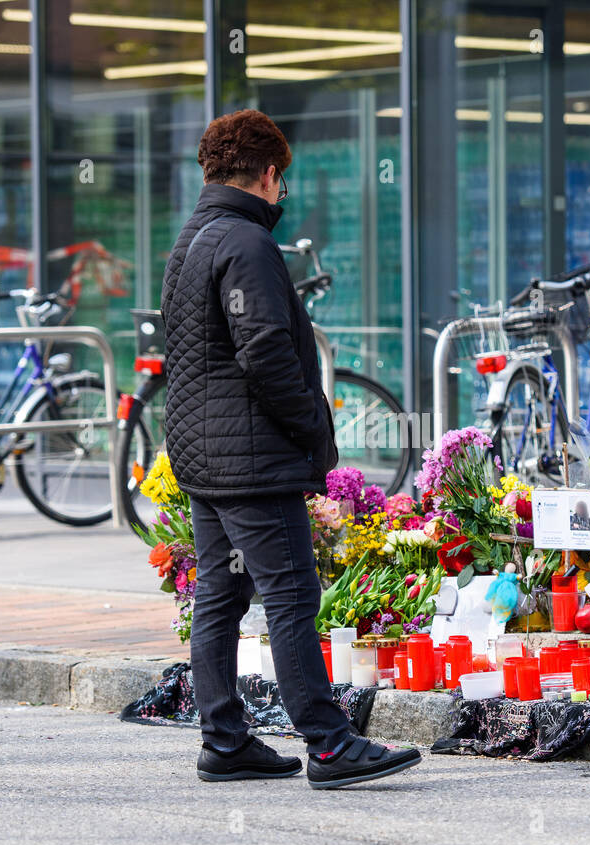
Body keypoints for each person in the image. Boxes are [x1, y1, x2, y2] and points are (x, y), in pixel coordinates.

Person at [160, 109, 421, 789]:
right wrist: (312, 423)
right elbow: (266, 352)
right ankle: (329, 742)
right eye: (284, 180)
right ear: (270, 174)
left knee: (221, 592)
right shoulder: (247, 243)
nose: (283, 194)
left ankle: (223, 739)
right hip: (250, 459)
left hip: (203, 453)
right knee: (292, 592)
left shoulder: (192, 238)